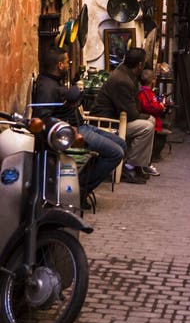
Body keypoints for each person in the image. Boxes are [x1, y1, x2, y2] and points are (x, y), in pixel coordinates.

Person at [33, 47, 126, 210]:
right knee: (116, 153)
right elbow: (43, 117)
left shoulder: (54, 82)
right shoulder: (47, 87)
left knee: (121, 144)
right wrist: (69, 130)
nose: (69, 65)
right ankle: (81, 187)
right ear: (60, 65)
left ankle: (80, 179)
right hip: (73, 131)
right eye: (67, 62)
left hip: (82, 125)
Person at [90, 47, 156, 184]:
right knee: (147, 127)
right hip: (106, 121)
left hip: (118, 117)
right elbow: (131, 113)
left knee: (150, 121)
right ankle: (129, 166)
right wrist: (143, 115)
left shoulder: (127, 74)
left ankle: (139, 164)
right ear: (139, 65)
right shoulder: (122, 80)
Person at [137, 69, 169, 172]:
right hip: (150, 122)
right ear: (153, 80)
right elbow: (150, 107)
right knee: (149, 145)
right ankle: (146, 164)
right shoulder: (145, 93)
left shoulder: (147, 92)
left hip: (153, 121)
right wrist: (161, 106)